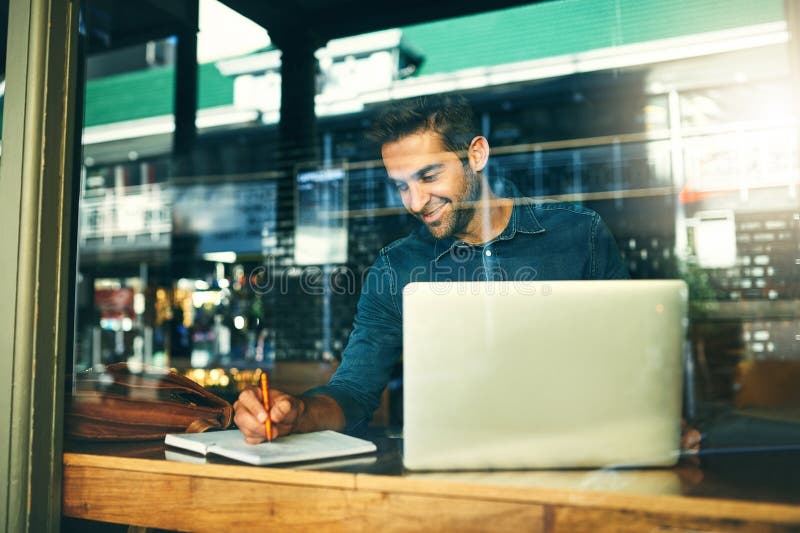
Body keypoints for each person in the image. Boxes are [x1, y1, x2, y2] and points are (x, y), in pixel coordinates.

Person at [234, 94, 629, 443]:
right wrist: (299, 413)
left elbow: (631, 359)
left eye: (428, 176)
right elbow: (354, 392)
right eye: (402, 185)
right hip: (452, 471)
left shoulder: (581, 234)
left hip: (576, 454)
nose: (415, 201)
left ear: (476, 155)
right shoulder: (396, 268)